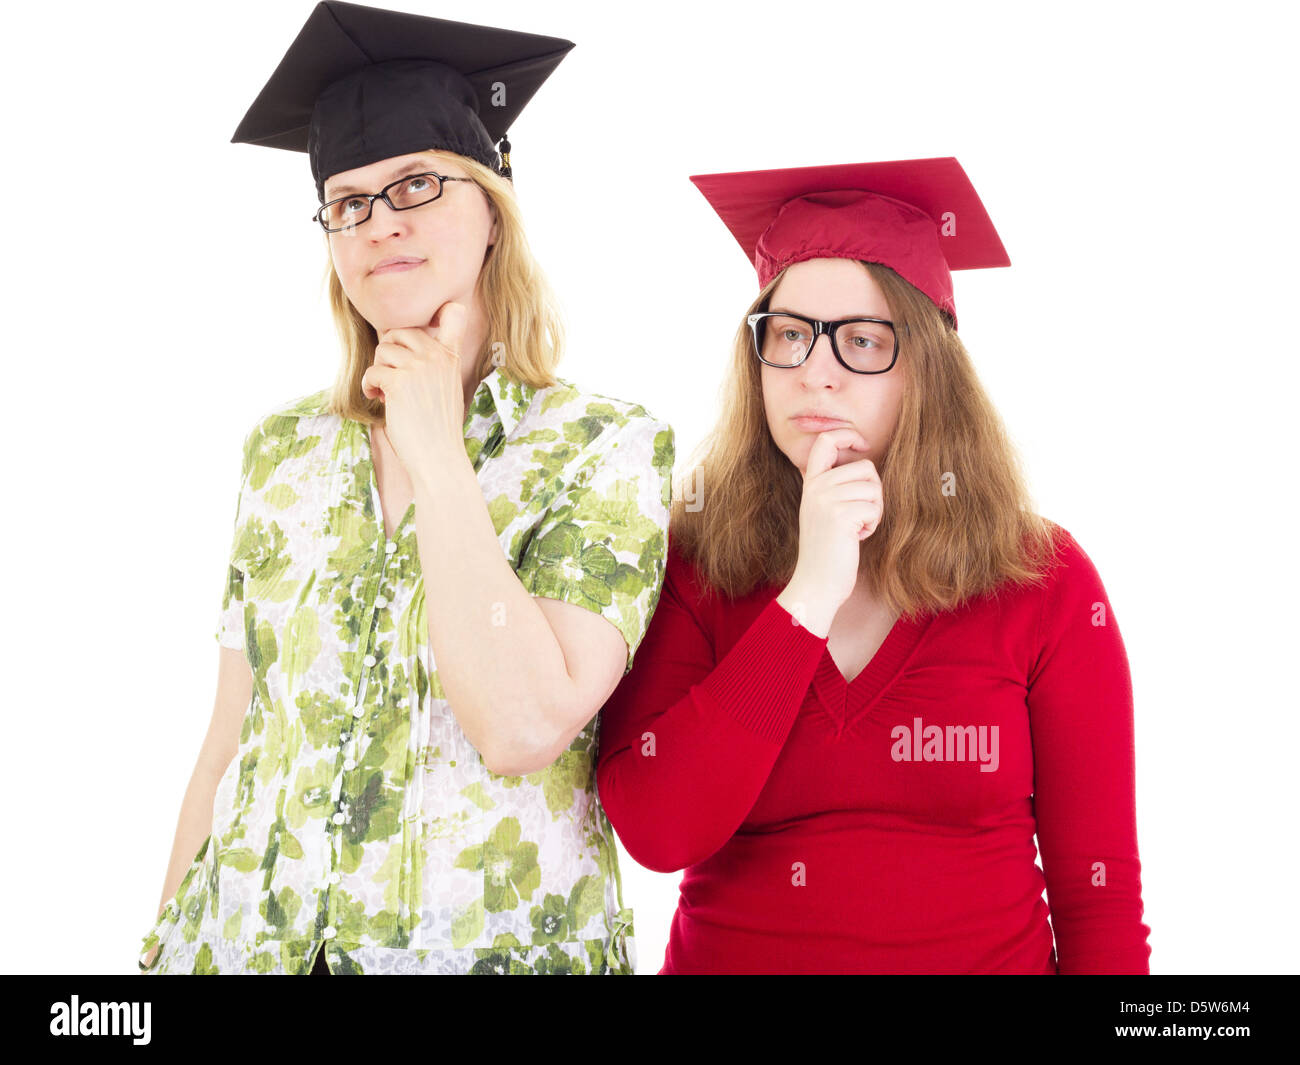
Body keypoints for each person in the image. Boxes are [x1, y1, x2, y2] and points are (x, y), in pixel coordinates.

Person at [138, 1, 674, 975]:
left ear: (492, 207)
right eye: (347, 201)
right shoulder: (282, 451)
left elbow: (522, 728)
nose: (379, 223)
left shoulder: (604, 446)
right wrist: (158, 960)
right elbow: (230, 746)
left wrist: (436, 453)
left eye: (416, 185)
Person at [595, 158, 1153, 974]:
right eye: (788, 334)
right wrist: (809, 594)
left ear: (928, 369)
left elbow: (1098, 900)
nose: (815, 371)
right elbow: (656, 829)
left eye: (861, 340)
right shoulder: (695, 560)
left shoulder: (1045, 579)